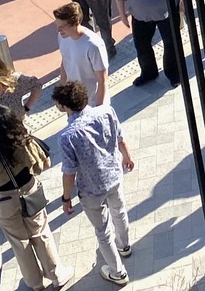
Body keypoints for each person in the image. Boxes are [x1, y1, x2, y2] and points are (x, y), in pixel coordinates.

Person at [0, 104, 68, 291]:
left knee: (19, 242)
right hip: (30, 192)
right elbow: (47, 163)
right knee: (41, 233)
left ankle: (35, 283)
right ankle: (57, 276)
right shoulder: (27, 141)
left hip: (4, 201)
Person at [51, 81, 135, 287]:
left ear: (64, 106)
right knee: (119, 210)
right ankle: (124, 245)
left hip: (91, 189)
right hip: (114, 175)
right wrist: (127, 157)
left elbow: (69, 172)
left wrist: (66, 197)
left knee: (103, 231)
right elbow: (120, 139)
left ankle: (117, 272)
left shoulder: (67, 136)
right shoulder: (107, 112)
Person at [53, 2, 109, 105]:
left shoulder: (93, 45)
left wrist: (98, 109)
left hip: (92, 103)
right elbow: (65, 60)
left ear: (76, 22)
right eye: (57, 25)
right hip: (73, 103)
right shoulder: (62, 37)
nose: (58, 29)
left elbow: (102, 80)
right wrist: (61, 91)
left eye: (63, 26)